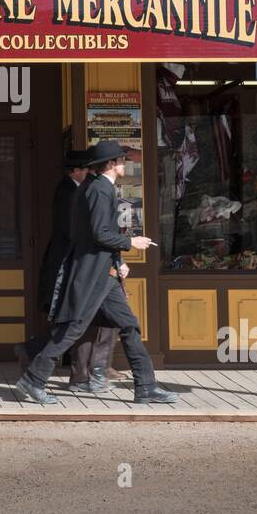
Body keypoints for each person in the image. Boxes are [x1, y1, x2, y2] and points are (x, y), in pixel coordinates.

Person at [14, 140, 177, 405]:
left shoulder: (94, 187)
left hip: (102, 272)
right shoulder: (101, 190)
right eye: (122, 160)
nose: (126, 163)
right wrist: (129, 243)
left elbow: (96, 234)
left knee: (128, 325)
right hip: (93, 274)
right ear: (111, 164)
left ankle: (146, 387)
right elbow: (101, 233)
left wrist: (117, 260)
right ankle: (34, 379)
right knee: (73, 328)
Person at [15, 149, 118, 393]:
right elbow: (77, 233)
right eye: (86, 169)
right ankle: (83, 373)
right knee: (77, 322)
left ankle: (89, 372)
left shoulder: (83, 189)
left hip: (86, 266)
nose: (90, 173)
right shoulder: (70, 192)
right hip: (76, 267)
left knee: (87, 321)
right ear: (75, 171)